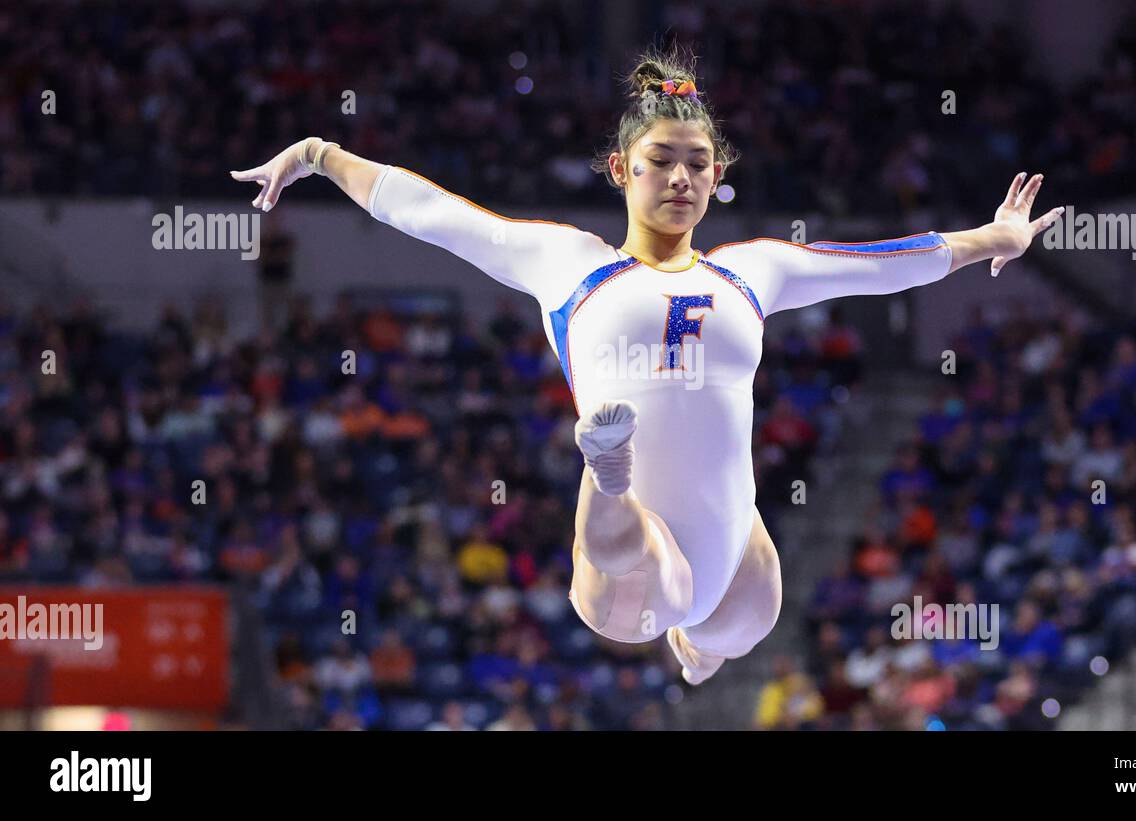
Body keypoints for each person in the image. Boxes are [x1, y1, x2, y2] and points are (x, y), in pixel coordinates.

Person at [232, 44, 1062, 686]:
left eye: (698, 163)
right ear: (622, 169)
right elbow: (432, 213)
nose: (680, 177)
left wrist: (998, 238)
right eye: (661, 160)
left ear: (719, 177)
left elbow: (887, 262)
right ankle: (609, 472)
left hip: (734, 565)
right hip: (627, 568)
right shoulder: (572, 265)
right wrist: (318, 151)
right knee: (643, 553)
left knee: (735, 623)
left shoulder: (753, 270)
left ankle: (695, 646)